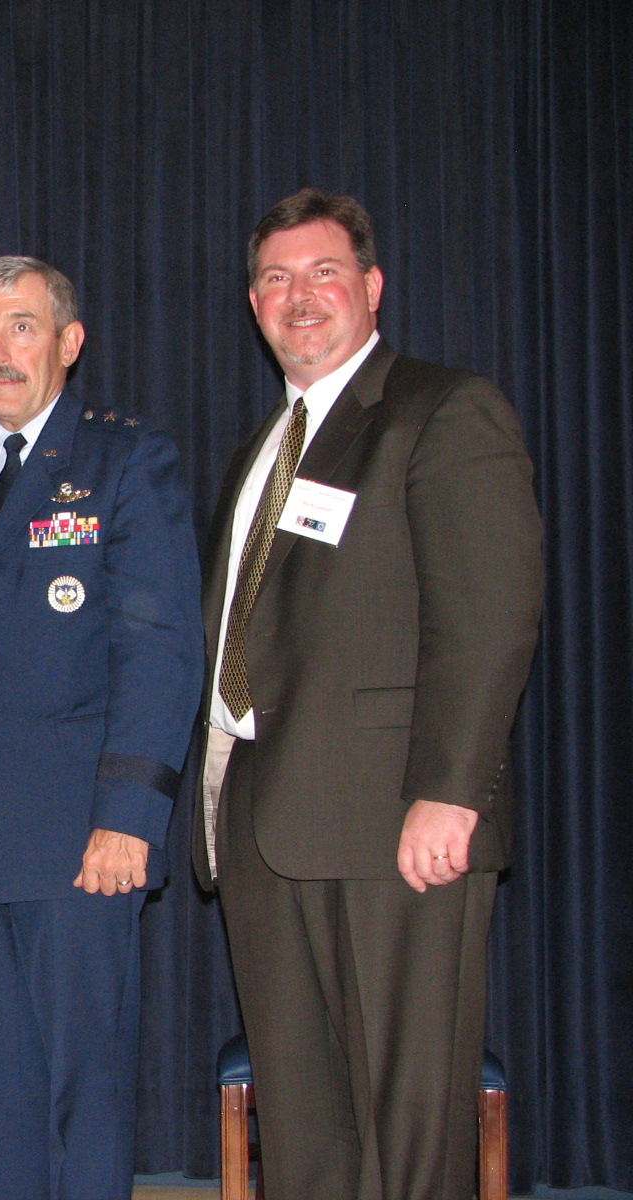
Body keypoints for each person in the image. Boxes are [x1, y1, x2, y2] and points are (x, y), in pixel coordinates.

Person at [195, 188, 544, 1200]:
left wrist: (453, 790)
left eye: (322, 272)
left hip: (398, 825)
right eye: (273, 278)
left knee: (406, 1127)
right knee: (305, 1129)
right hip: (264, 829)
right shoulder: (259, 450)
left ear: (371, 286)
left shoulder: (441, 409)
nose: (297, 297)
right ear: (251, 302)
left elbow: (489, 615)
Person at [0, 256, 203, 1200]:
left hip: (79, 834)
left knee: (84, 1090)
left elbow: (160, 648)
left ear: (69, 342)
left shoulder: (124, 460)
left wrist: (130, 816)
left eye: (20, 326)